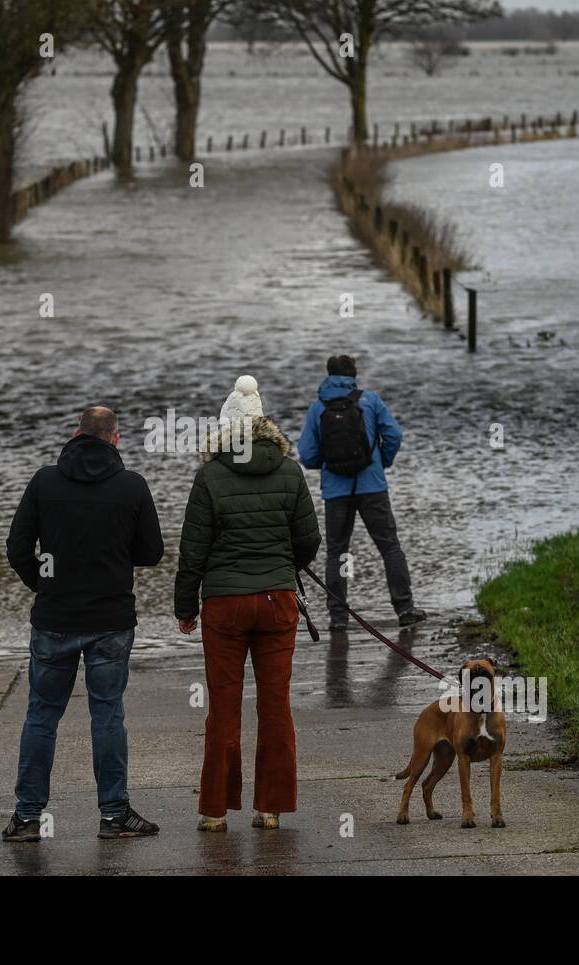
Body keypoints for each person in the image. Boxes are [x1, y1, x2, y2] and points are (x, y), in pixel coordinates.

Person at [3, 406, 164, 842]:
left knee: (41, 716)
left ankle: (27, 817)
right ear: (116, 439)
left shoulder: (44, 481)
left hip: (54, 617)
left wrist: (44, 582)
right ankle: (114, 815)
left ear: (75, 434)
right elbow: (152, 552)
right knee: (107, 715)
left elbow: (17, 547)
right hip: (110, 619)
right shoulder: (131, 486)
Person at [175, 376, 321, 832]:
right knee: (275, 705)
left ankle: (216, 811)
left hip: (225, 605)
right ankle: (270, 808)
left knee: (224, 705)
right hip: (278, 602)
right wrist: (281, 563)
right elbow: (309, 543)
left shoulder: (211, 476)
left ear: (225, 429)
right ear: (263, 424)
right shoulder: (291, 471)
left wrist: (185, 607)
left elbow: (192, 550)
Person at [296, 355, 426, 632]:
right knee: (389, 546)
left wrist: (329, 465)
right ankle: (405, 609)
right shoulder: (371, 401)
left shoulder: (317, 408)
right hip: (373, 487)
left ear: (328, 374)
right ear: (354, 375)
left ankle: (338, 619)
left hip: (335, 492)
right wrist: (381, 461)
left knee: (337, 553)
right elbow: (394, 435)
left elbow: (306, 454)